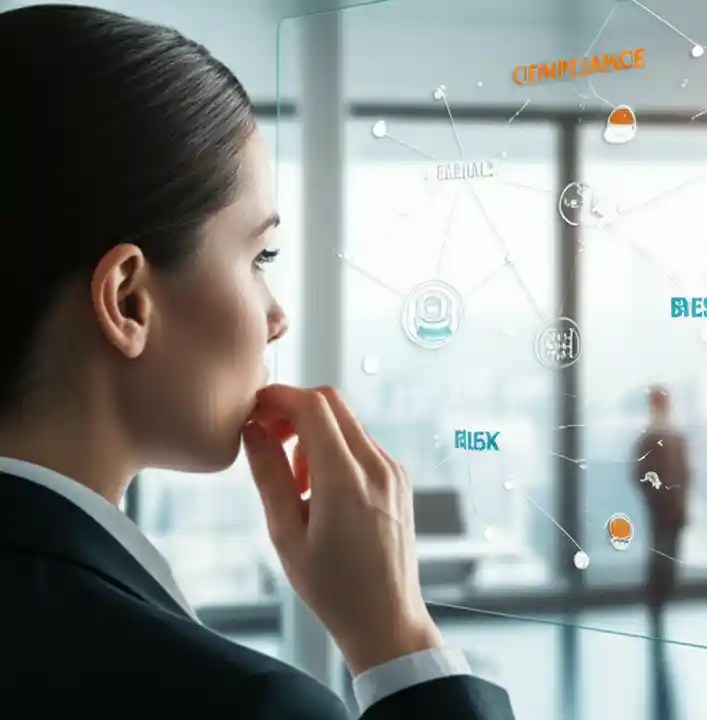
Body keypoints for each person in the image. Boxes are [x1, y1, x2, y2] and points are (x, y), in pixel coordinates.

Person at [0, 6, 513, 718]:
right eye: (259, 256)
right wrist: (398, 640)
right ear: (127, 301)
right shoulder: (244, 704)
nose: (278, 318)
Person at [633, 386, 691, 612]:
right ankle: (662, 589)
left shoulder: (652, 436)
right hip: (668, 498)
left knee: (660, 541)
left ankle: (659, 591)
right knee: (666, 542)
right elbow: (683, 472)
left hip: (660, 499)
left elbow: (640, 472)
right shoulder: (671, 436)